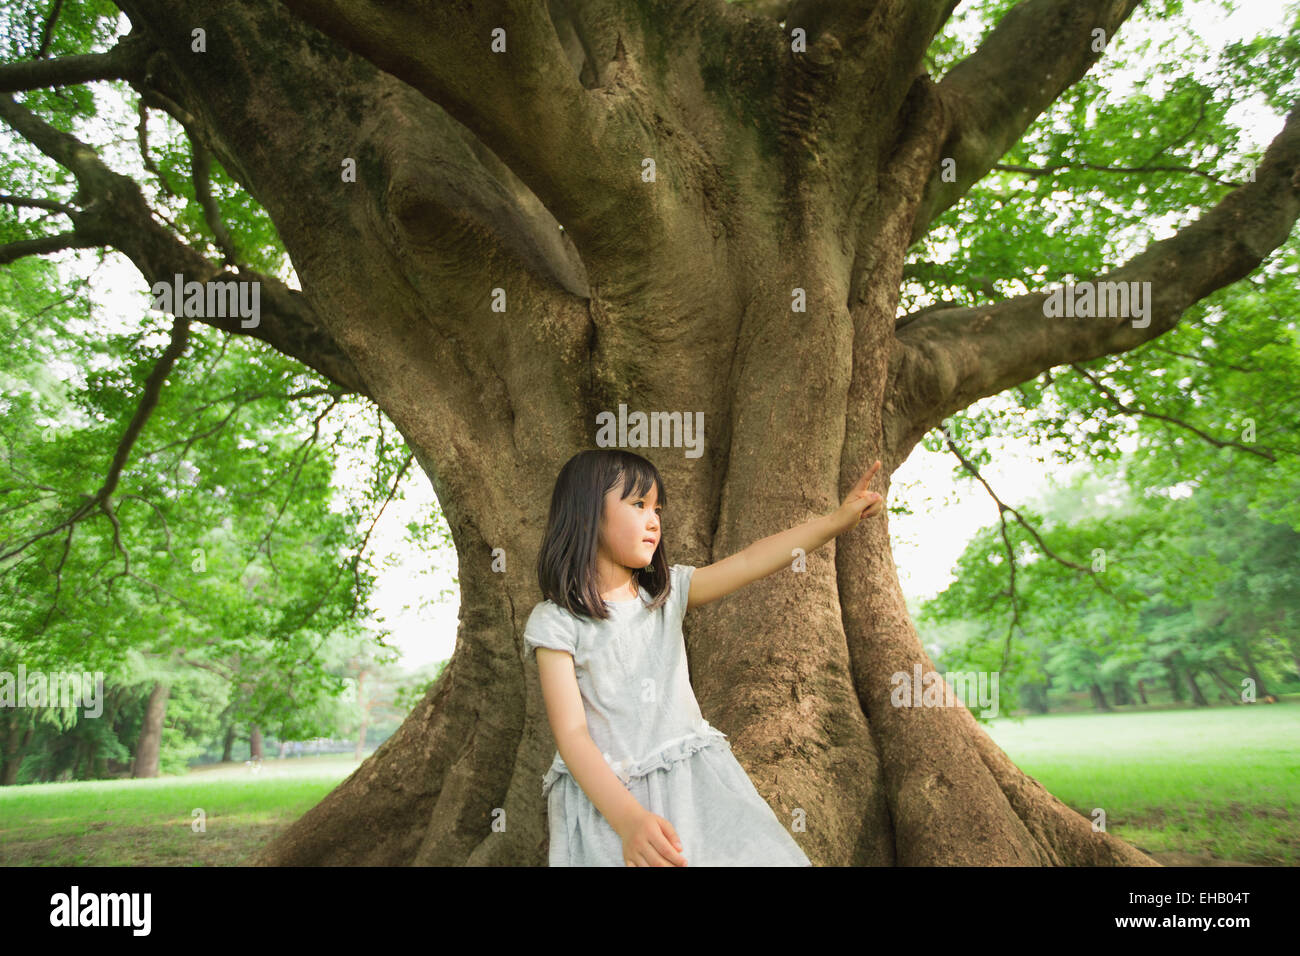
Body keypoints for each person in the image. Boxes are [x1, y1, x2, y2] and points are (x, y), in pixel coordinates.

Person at [525, 448, 885, 866]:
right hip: (608, 804)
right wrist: (629, 821)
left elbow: (752, 560)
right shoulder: (557, 623)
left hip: (693, 785)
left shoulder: (667, 594)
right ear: (587, 514)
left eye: (657, 508)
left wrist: (834, 522)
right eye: (638, 504)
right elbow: (572, 736)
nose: (654, 519)